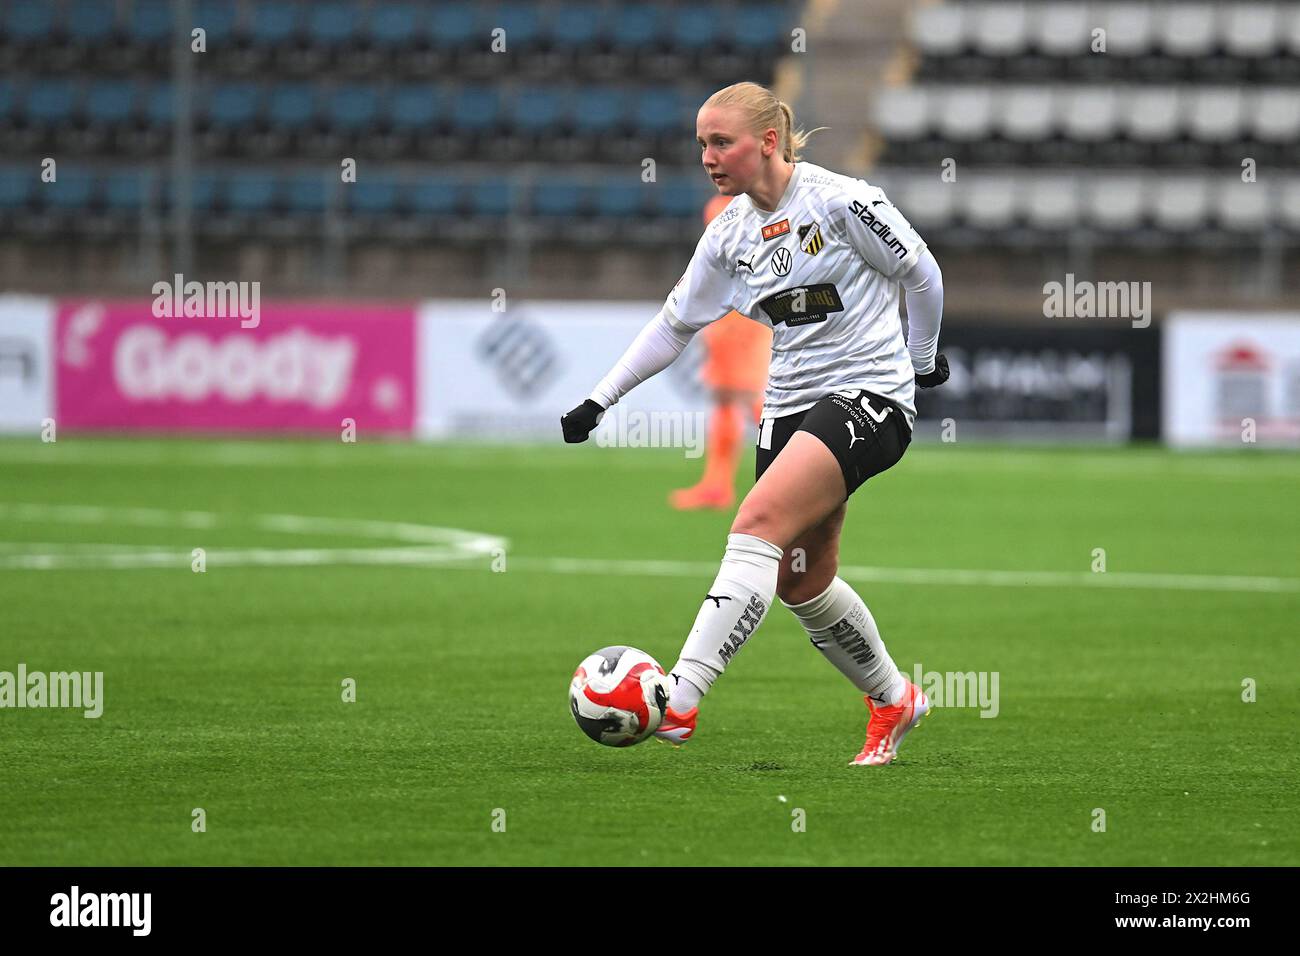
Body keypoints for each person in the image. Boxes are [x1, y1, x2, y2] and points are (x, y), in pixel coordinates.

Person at [561, 81, 949, 766]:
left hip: (870, 398)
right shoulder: (729, 233)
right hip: (790, 407)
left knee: (755, 524)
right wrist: (601, 399)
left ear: (768, 141)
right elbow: (675, 323)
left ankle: (679, 695)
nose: (708, 156)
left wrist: (920, 362)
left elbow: (922, 273)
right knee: (801, 579)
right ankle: (894, 700)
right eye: (701, 144)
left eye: (721, 142)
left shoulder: (840, 201)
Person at [668, 195, 772, 511]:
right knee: (729, 398)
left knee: (740, 396)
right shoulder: (761, 203)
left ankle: (799, 456)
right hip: (742, 309)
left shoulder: (727, 207)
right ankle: (717, 484)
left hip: (736, 313)